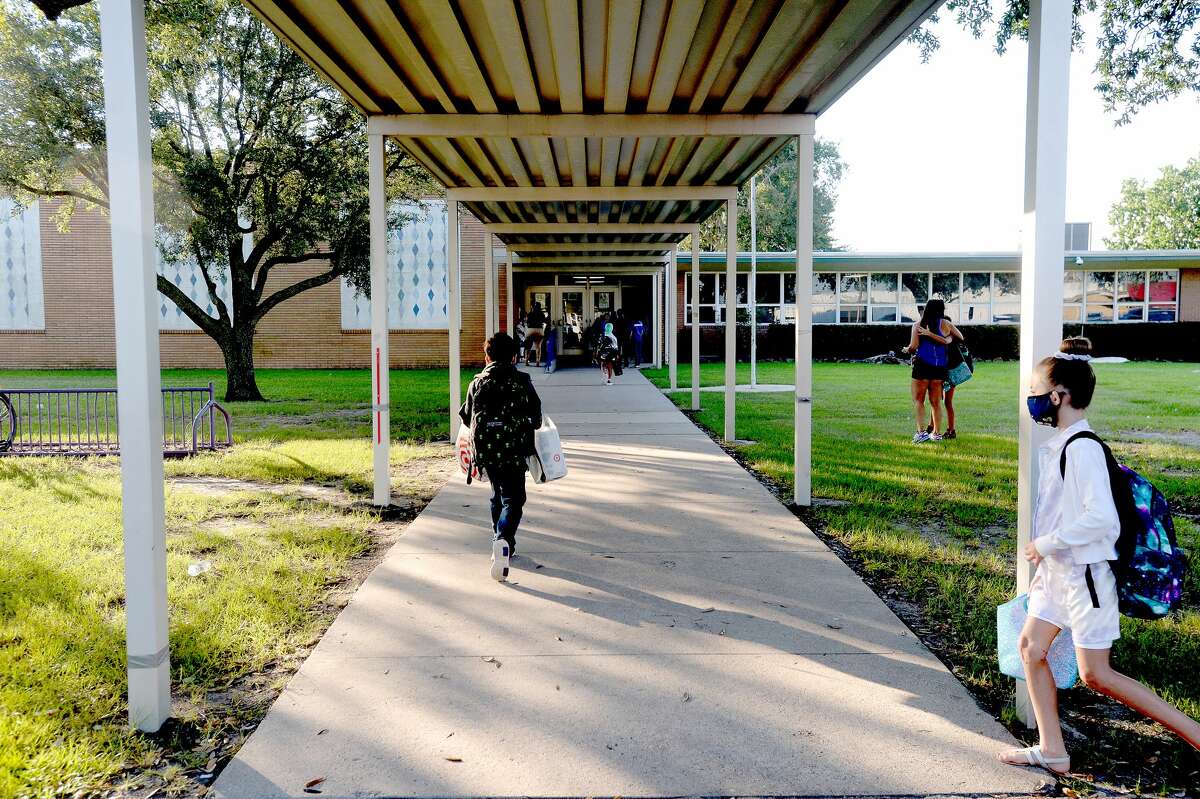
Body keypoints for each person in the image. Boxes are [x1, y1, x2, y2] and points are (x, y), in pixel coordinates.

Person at [999, 336, 1200, 774]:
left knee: (1097, 675)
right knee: (1031, 648)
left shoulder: (1083, 448)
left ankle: (1196, 734)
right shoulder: (1063, 445)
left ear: (1059, 396)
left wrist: (1045, 544)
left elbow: (1102, 520)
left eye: (1036, 391)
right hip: (1058, 578)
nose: (1031, 399)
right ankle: (1053, 750)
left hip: (1086, 580)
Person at [458, 332, 542, 582]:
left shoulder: (477, 382)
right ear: (515, 356)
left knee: (497, 494)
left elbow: (466, 416)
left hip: (487, 451)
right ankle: (503, 539)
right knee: (515, 498)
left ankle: (504, 544)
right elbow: (536, 417)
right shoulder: (522, 380)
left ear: (487, 357)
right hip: (515, 450)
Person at [903, 298, 961, 443]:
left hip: (922, 366)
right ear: (941, 310)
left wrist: (906, 349)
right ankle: (936, 434)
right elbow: (960, 337)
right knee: (936, 402)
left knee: (918, 400)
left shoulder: (918, 325)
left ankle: (921, 432)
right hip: (939, 367)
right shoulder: (946, 324)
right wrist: (947, 338)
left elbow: (913, 347)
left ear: (927, 308)